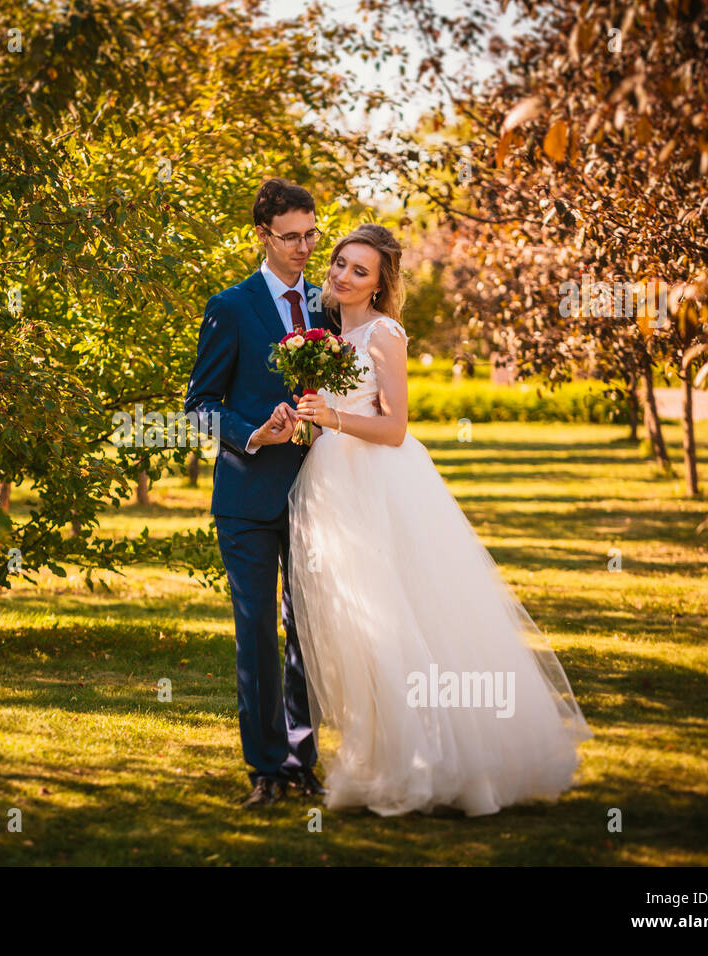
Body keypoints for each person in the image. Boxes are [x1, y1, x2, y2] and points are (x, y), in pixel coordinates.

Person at [285, 223, 593, 817]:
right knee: (361, 631)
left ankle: (445, 765)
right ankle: (381, 760)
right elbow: (335, 413)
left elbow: (395, 428)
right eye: (341, 263)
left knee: (404, 622)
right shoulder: (324, 334)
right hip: (332, 482)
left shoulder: (384, 333)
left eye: (360, 270)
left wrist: (332, 418)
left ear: (379, 285)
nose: (343, 275)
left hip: (379, 485)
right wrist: (308, 420)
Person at [184, 178, 326, 810]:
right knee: (257, 634)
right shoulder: (231, 306)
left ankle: (301, 761)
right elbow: (198, 408)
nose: (304, 247)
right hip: (246, 499)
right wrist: (255, 435)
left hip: (322, 496)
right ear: (263, 236)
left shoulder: (329, 306)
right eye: (291, 236)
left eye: (311, 234)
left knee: (309, 634)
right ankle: (265, 768)